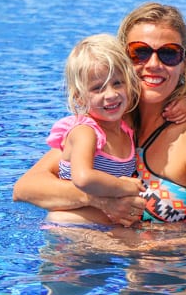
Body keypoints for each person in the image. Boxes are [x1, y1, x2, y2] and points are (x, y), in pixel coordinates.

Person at [13, 2, 186, 242]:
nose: (154, 64)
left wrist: (127, 247)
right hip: (103, 269)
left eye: (169, 53)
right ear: (121, 61)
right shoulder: (109, 124)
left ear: (184, 64)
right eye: (140, 52)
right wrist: (98, 200)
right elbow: (25, 188)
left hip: (162, 271)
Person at [43, 34, 144, 224]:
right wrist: (126, 187)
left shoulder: (125, 130)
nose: (111, 94)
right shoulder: (86, 132)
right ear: (80, 97)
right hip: (71, 229)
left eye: (117, 83)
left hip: (99, 227)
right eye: (98, 88)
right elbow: (83, 178)